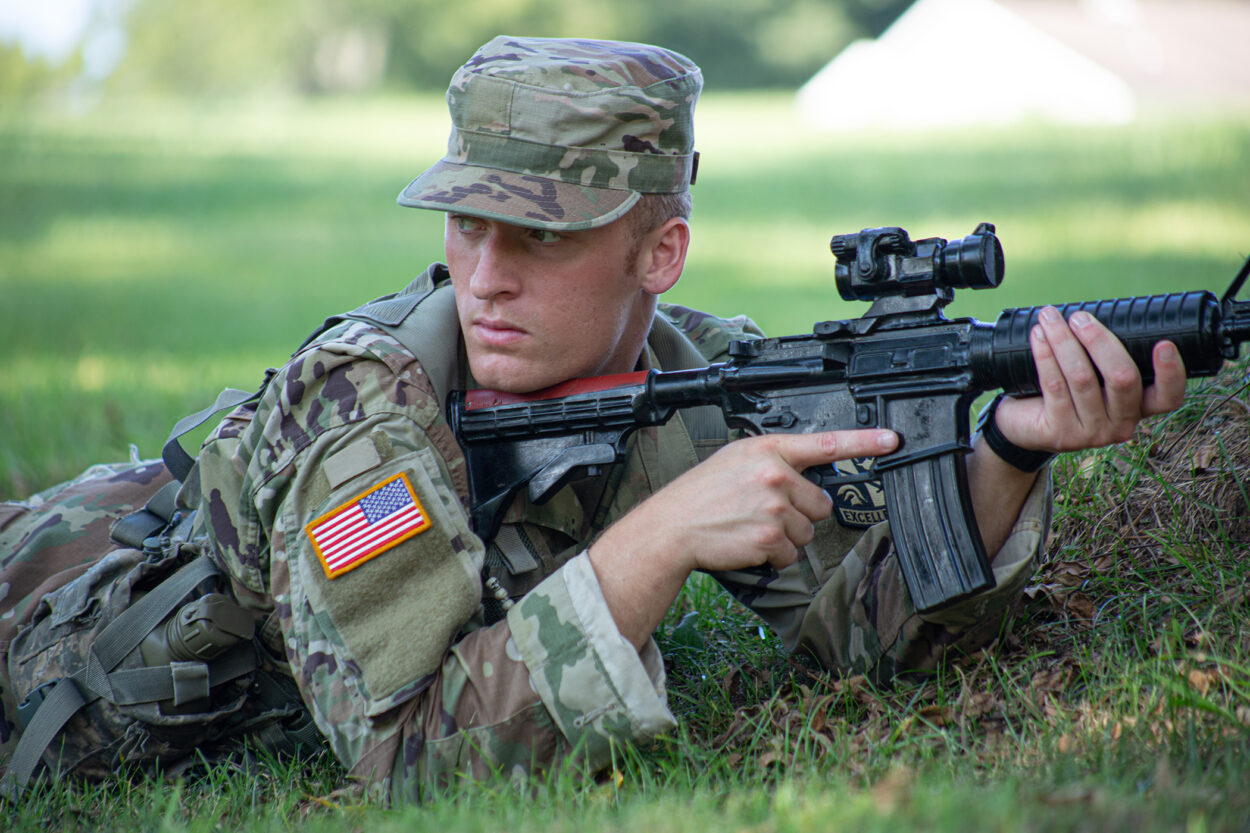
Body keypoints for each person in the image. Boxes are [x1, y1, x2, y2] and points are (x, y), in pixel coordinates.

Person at [0, 36, 1188, 803]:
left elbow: (866, 639)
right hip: (43, 607)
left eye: (542, 234)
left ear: (657, 249)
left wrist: (1001, 452)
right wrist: (653, 542)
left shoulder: (693, 376)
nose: (485, 274)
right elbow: (414, 764)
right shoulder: (360, 410)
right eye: (466, 224)